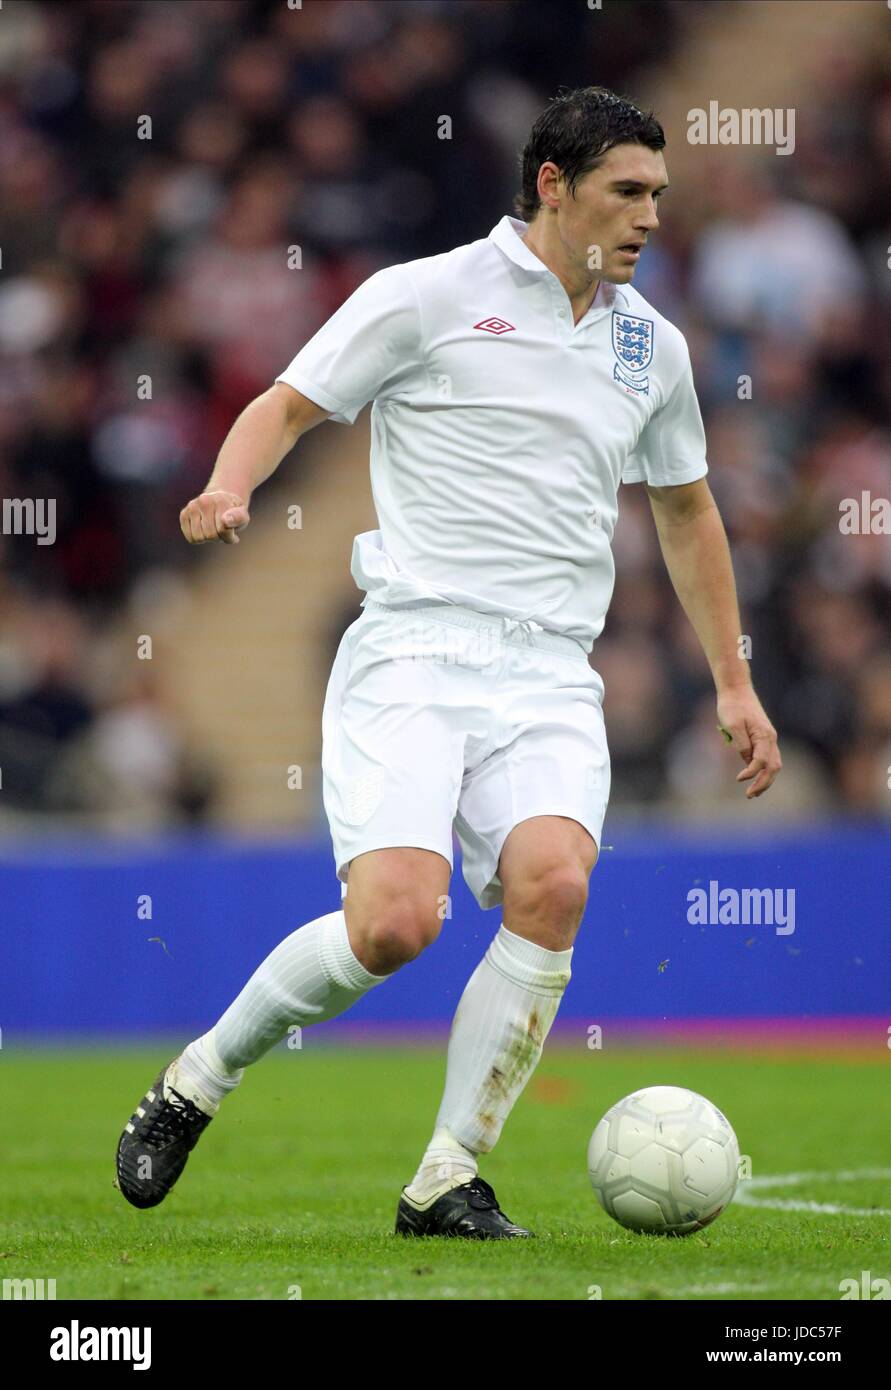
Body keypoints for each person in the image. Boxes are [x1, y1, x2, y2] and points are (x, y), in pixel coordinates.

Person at [115, 86, 781, 1239]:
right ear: (553, 187)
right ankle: (200, 1078)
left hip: (551, 668)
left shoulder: (652, 346)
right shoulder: (424, 296)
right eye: (627, 192)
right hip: (418, 648)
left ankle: (446, 1173)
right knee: (394, 924)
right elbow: (287, 403)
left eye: (660, 195)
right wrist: (229, 484)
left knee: (557, 884)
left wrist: (733, 679)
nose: (650, 217)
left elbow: (685, 510)